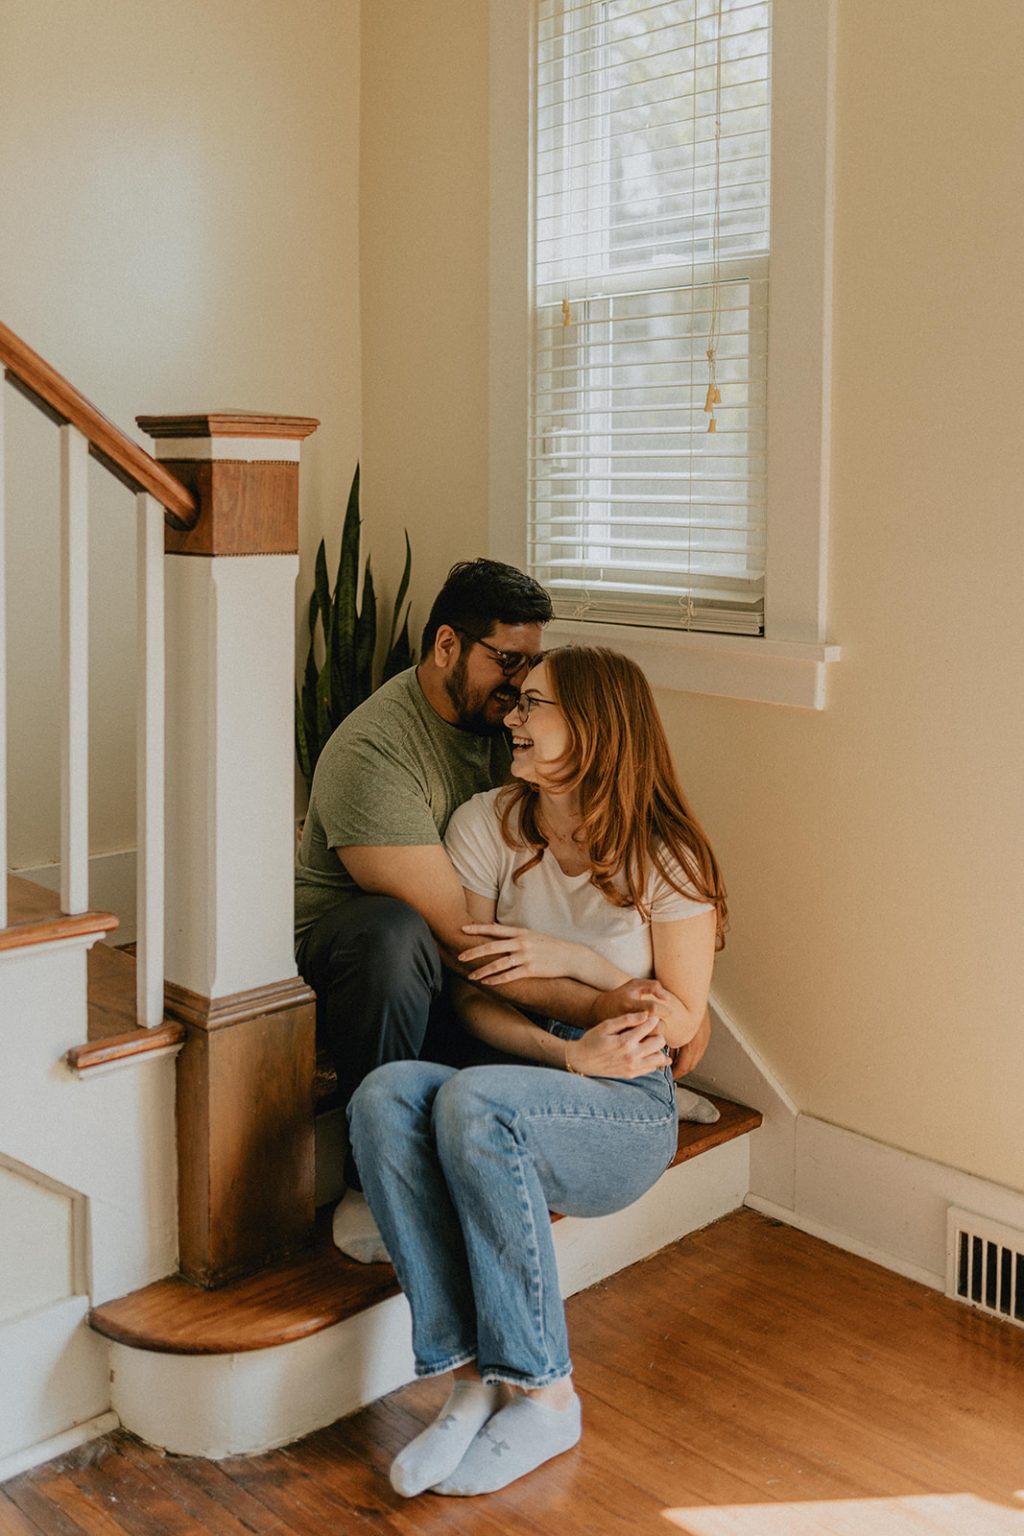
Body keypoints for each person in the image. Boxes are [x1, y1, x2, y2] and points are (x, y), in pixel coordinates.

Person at [348, 645, 728, 1498]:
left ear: (594, 727)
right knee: (382, 1097)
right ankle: (471, 1379)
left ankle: (547, 1393)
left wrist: (574, 961)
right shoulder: (488, 824)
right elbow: (476, 994)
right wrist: (565, 1050)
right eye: (517, 702)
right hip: (522, 1069)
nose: (512, 717)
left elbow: (679, 1020)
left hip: (625, 1108)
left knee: (475, 1099)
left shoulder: (666, 854)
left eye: (535, 705)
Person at [296, 561, 712, 1261]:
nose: (519, 689)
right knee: (395, 937)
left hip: (486, 962)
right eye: (507, 663)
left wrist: (684, 1001)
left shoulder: (507, 728)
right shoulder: (376, 753)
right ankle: (370, 1179)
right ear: (448, 646)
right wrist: (622, 1008)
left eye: (530, 673)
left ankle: (631, 1094)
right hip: (361, 958)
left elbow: (643, 904)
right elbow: (466, 945)